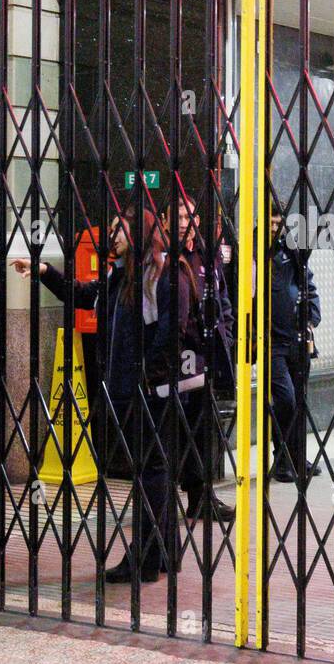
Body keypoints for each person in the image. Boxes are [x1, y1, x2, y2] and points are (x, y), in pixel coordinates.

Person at [14, 206, 201, 582]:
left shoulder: (162, 275)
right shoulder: (123, 276)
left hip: (152, 392)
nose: (111, 237)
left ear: (138, 234)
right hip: (129, 387)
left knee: (151, 471)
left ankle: (146, 557)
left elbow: (170, 333)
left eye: (119, 230)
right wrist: (46, 272)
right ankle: (164, 554)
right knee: (153, 470)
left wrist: (148, 378)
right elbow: (83, 296)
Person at [162, 189, 236, 521]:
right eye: (176, 217)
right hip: (172, 356)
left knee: (202, 426)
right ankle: (167, 497)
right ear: (164, 222)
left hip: (202, 355)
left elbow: (222, 301)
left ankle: (200, 496)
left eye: (187, 217)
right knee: (172, 427)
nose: (182, 224)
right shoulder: (161, 256)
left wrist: (227, 337)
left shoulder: (207, 256)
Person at [268, 203, 322, 484]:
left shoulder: (292, 250)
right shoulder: (253, 253)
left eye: (278, 220)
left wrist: (311, 317)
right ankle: (283, 457)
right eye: (271, 219)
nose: (275, 225)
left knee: (297, 400)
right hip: (272, 342)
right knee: (286, 399)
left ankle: (294, 458)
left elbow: (308, 285)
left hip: (298, 338)